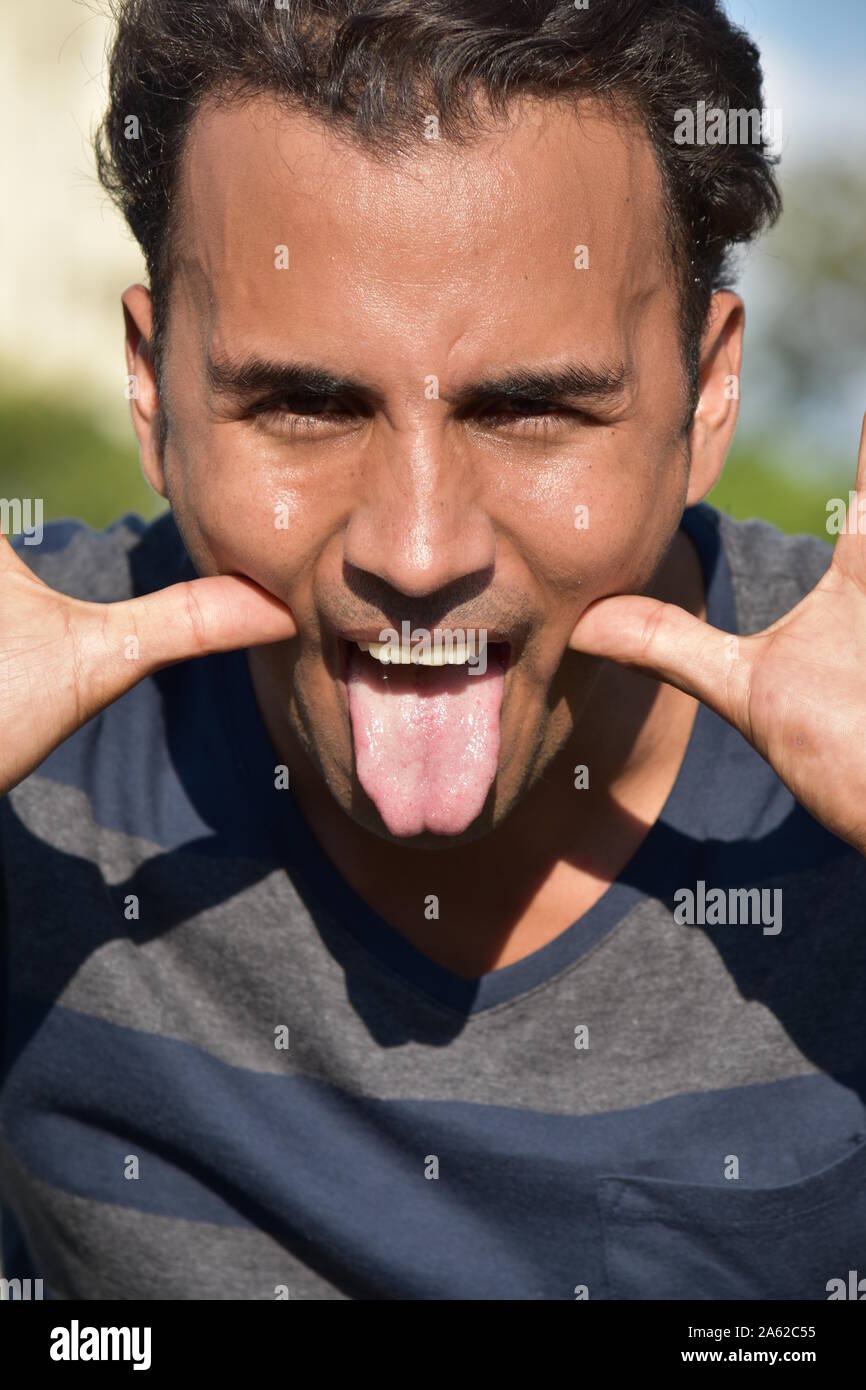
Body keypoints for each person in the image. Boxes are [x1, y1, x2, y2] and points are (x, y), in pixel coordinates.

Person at [2, 0, 865, 1301]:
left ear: (703, 400)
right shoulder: (33, 734)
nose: (414, 551)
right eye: (304, 403)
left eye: (528, 409)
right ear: (151, 386)